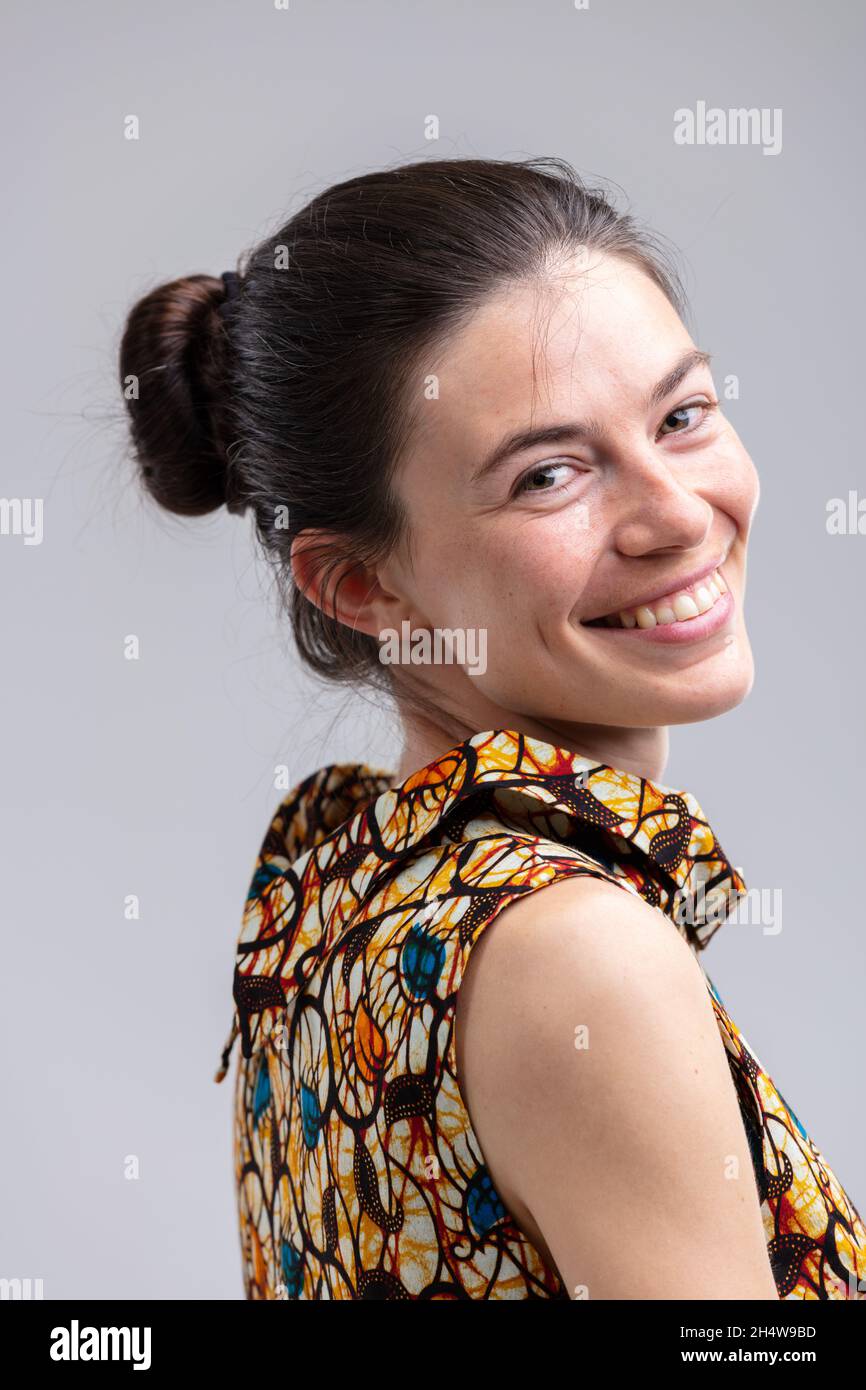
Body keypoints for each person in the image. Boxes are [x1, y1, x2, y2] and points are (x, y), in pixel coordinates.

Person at [119, 156, 866, 1300]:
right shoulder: (571, 954)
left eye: (681, 414)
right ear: (361, 587)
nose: (675, 516)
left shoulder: (332, 886)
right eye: (548, 475)